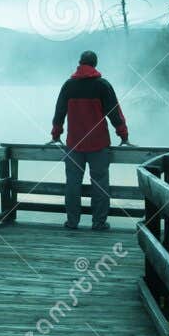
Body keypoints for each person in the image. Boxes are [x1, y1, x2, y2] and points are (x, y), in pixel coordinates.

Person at [49, 50, 129, 230]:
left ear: (80, 63)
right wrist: (123, 135)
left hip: (74, 144)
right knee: (100, 184)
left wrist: (56, 134)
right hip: (98, 145)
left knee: (72, 184)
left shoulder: (69, 85)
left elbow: (59, 112)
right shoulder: (102, 85)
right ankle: (99, 223)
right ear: (95, 64)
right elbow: (115, 113)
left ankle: (72, 222)